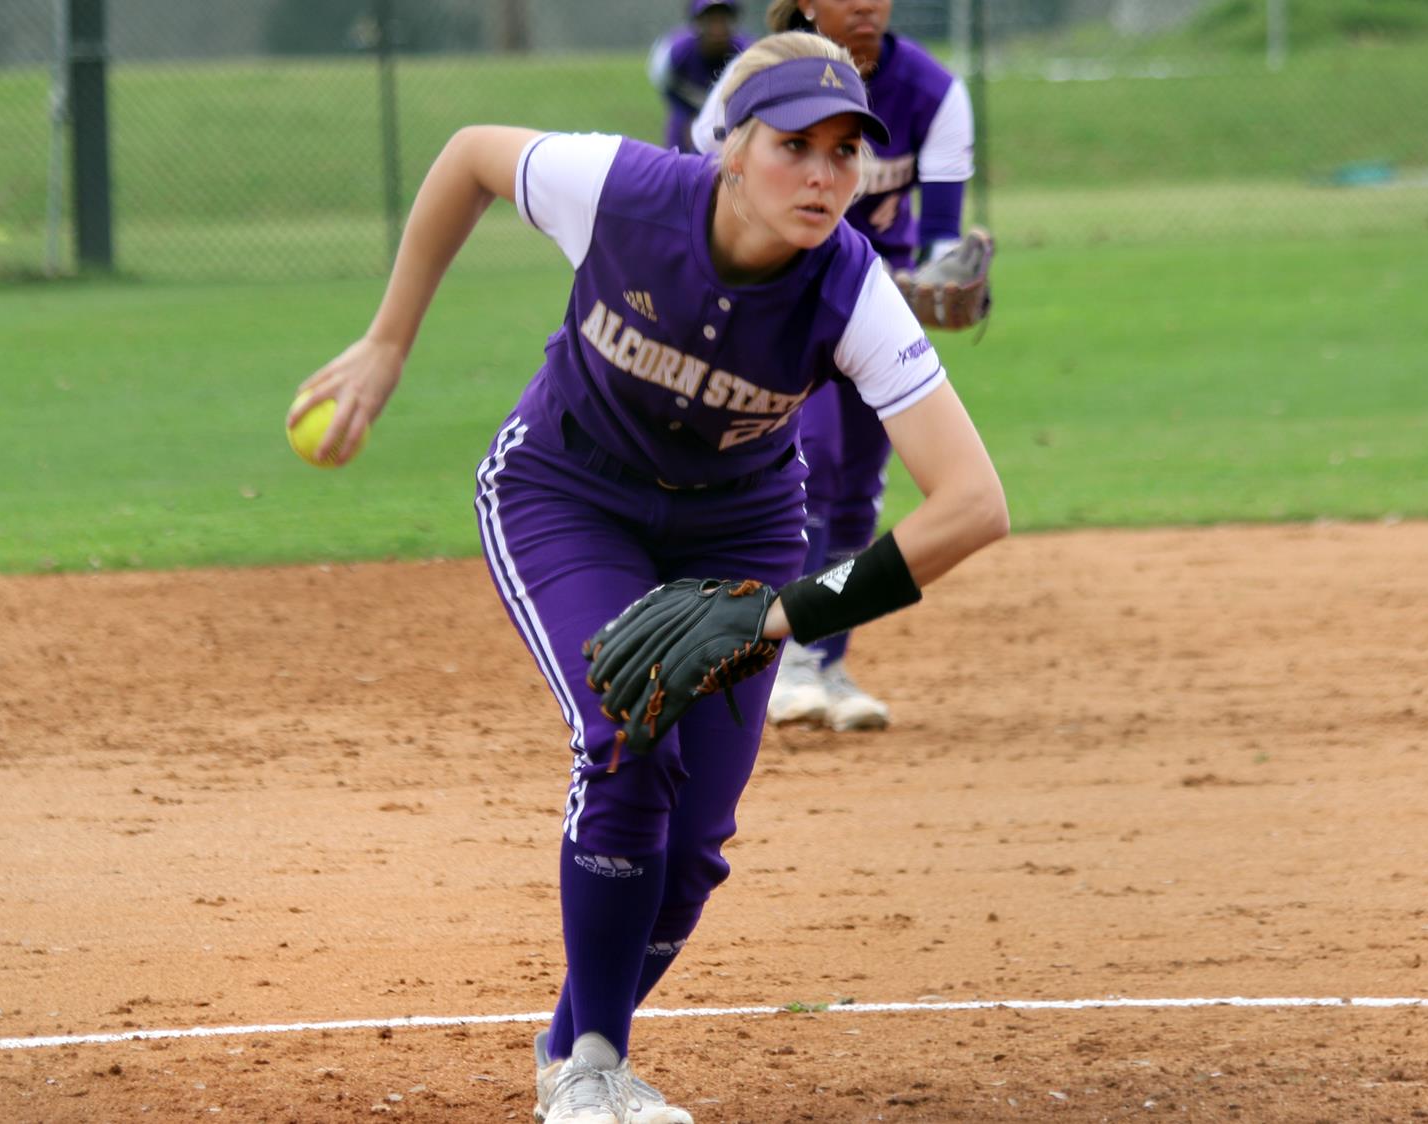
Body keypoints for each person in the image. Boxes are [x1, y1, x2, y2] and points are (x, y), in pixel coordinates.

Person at [290, 30, 1007, 1124]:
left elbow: (971, 503)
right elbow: (471, 155)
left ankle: (575, 1049)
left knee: (694, 850)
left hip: (743, 535)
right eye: (792, 145)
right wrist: (389, 339)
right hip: (566, 492)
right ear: (728, 148)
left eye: (845, 150)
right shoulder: (623, 190)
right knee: (628, 735)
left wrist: (782, 613)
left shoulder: (849, 284)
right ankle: (589, 1068)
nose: (823, 175)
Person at [693, 0, 978, 732]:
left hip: (875, 314)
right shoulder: (755, 80)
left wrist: (941, 281)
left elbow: (940, 239)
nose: (865, 5)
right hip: (779, 307)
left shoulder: (935, 92)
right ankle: (780, 658)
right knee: (811, 461)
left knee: (857, 491)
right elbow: (711, 191)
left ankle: (826, 658)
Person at [647, 0, 752, 154]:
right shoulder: (676, 53)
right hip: (686, 111)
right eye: (710, 19)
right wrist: (688, 116)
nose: (717, 27)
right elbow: (663, 80)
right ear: (696, 22)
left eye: (723, 18)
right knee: (678, 157)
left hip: (730, 115)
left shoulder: (747, 53)